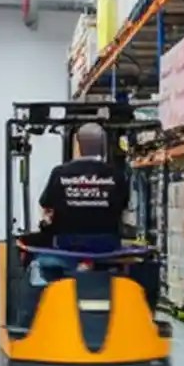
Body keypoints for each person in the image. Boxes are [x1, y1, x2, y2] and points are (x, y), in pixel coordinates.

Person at [30, 122, 128, 285]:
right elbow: (123, 206)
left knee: (44, 266)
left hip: (68, 245)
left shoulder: (60, 173)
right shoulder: (116, 175)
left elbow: (46, 206)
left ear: (77, 144)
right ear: (103, 146)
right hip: (106, 246)